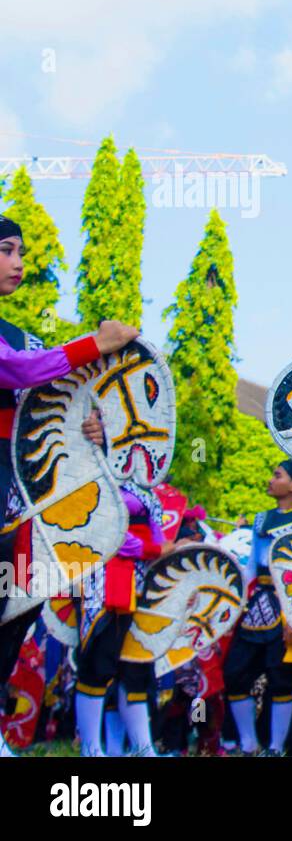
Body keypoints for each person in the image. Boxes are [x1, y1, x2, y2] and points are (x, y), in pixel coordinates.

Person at [0, 216, 138, 757]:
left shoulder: (21, 335)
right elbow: (13, 372)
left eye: (21, 252)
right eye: (7, 250)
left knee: (19, 604)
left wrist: (90, 429)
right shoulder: (15, 347)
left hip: (24, 490)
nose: (19, 263)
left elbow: (43, 394)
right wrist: (92, 344)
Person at [222, 460, 292, 754]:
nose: (270, 480)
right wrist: (235, 604)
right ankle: (248, 742)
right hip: (256, 603)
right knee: (235, 672)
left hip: (288, 605)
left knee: (281, 677)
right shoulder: (260, 520)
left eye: (277, 475)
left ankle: (277, 747)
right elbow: (251, 566)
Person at [74, 481, 167, 756]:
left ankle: (143, 748)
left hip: (141, 582)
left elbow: (158, 537)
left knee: (136, 666)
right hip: (103, 579)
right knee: (98, 661)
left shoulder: (148, 488)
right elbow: (106, 530)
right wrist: (154, 550)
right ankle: (91, 748)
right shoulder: (98, 475)